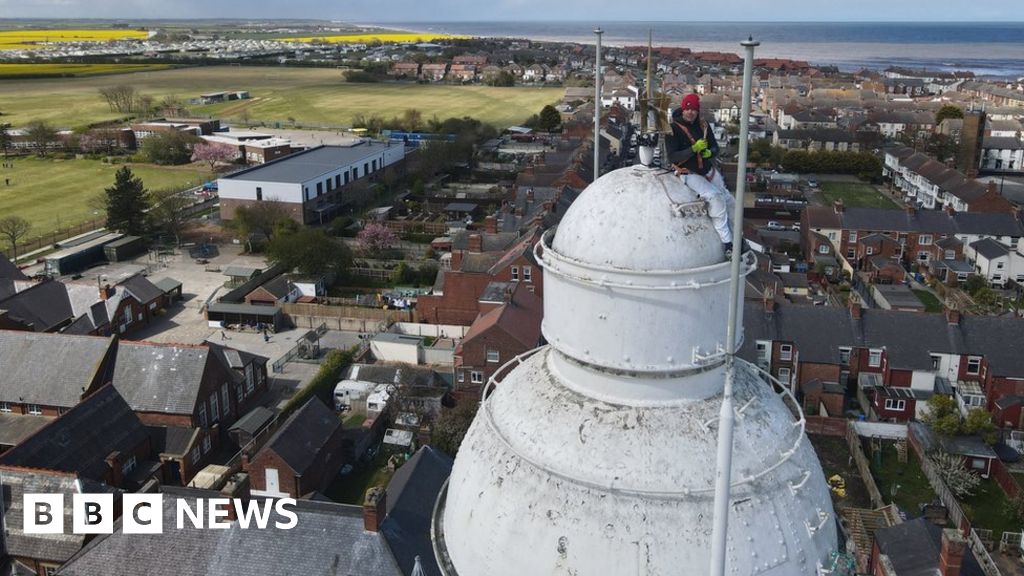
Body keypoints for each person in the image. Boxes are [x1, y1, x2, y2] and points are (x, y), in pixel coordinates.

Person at [665, 93, 737, 254]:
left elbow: (715, 147)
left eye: (693, 109)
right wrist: (693, 149)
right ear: (683, 109)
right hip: (689, 173)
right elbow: (673, 156)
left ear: (697, 111)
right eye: (687, 109)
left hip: (706, 169)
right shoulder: (673, 129)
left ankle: (738, 237)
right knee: (715, 198)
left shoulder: (703, 126)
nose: (690, 112)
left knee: (730, 202)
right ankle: (727, 243)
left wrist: (710, 153)